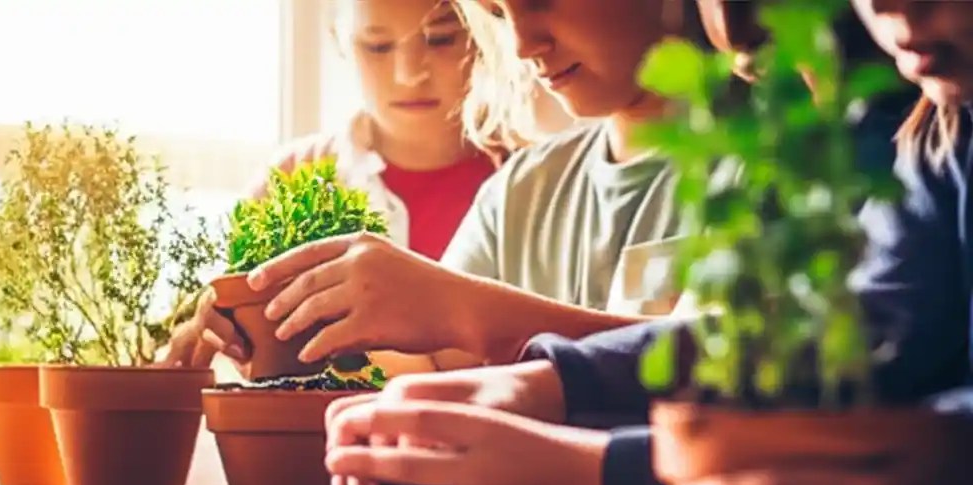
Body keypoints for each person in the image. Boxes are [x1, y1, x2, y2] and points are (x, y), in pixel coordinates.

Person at [324, 0, 973, 485]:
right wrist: (555, 381)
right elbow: (874, 330)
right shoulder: (945, 128)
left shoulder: (829, 142)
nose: (895, 12)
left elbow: (901, 442)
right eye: (498, 13)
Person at [236, 0, 713, 374]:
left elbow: (722, 365)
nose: (522, 46)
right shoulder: (518, 193)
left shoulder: (768, 168)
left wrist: (464, 309)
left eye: (541, 0)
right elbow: (430, 369)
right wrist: (271, 333)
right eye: (498, 14)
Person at [160, 0, 546, 372]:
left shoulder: (539, 186)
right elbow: (226, 334)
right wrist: (215, 327)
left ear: (484, 34)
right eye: (377, 46)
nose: (408, 73)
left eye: (440, 38)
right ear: (339, 42)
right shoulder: (294, 177)